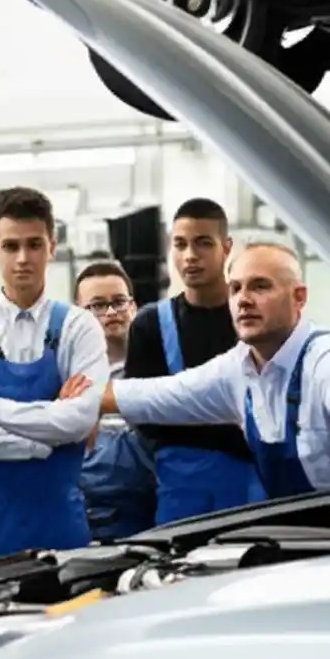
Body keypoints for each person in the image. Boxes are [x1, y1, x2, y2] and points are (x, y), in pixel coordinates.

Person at [102, 242, 330, 500]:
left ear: (299, 297)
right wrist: (84, 399)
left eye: (260, 286)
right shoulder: (236, 370)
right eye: (235, 289)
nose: (243, 300)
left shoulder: (326, 357)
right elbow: (160, 395)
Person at [0, 187, 110, 567]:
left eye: (34, 245)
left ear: (53, 245)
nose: (23, 258)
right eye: (11, 246)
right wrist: (43, 445)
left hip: (60, 525)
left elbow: (80, 419)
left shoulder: (80, 328)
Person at [124, 198, 263, 524]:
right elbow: (139, 410)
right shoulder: (150, 325)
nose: (190, 256)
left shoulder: (254, 317)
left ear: (227, 247)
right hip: (180, 489)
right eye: (180, 244)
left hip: (254, 484)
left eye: (203, 243)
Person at [74, 260, 157, 540]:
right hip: (85, 516)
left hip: (150, 514)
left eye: (119, 302)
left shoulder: (161, 371)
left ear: (133, 307)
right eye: (97, 305)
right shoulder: (63, 378)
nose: (111, 312)